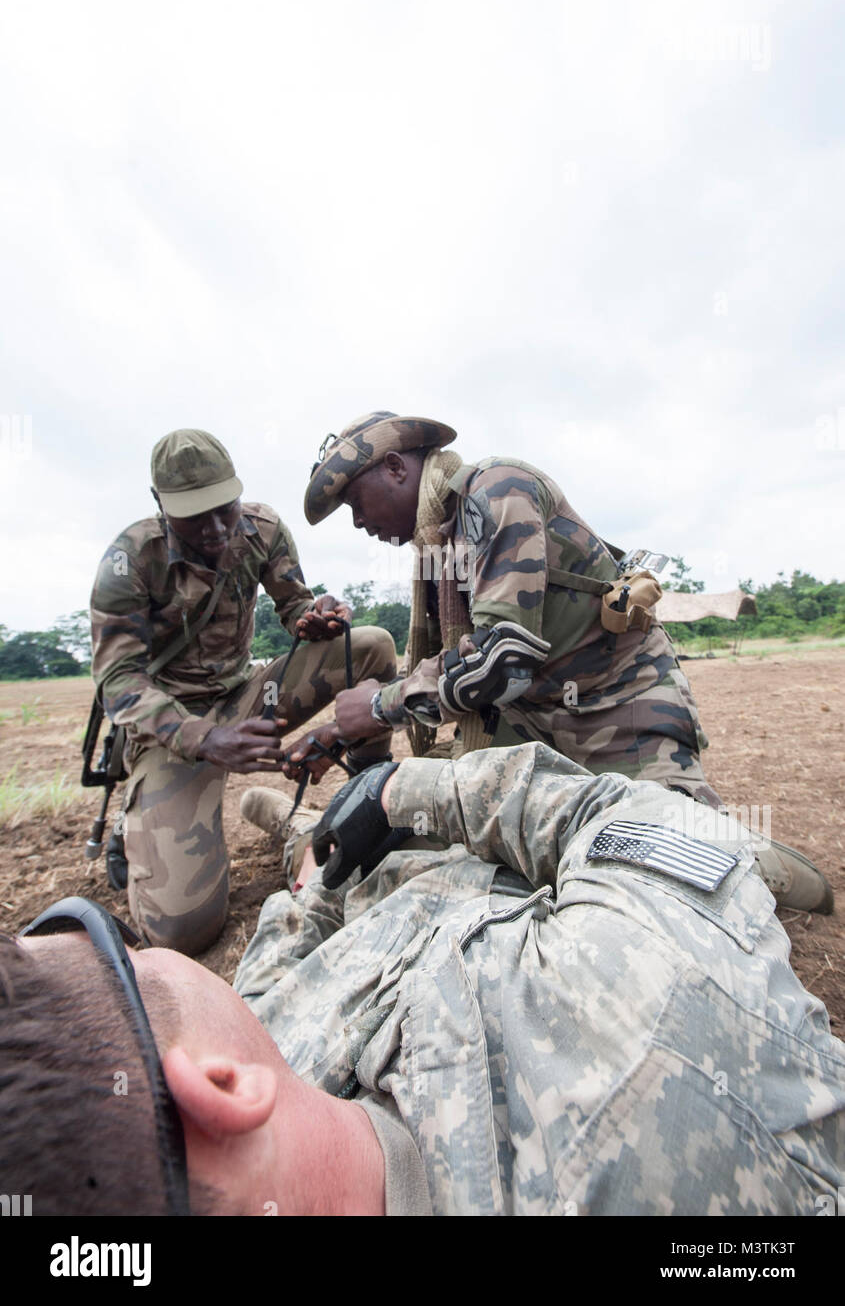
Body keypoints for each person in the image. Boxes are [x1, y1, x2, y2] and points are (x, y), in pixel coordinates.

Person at [6, 743, 845, 1215]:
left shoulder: (277, 1064)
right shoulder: (635, 1022)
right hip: (545, 875)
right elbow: (629, 819)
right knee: (695, 853)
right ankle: (760, 871)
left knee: (313, 839)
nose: (142, 953)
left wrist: (312, 890)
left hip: (378, 894)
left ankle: (288, 820)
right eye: (121, 968)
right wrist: (407, 786)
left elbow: (270, 977)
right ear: (215, 1089)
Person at [301, 410, 833, 913]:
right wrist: (343, 729)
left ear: (395, 467)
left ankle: (764, 866)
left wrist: (379, 705)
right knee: (444, 831)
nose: (358, 523)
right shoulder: (442, 538)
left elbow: (501, 661)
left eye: (355, 502)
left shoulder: (496, 490)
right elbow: (455, 661)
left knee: (672, 866)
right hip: (534, 722)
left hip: (618, 714)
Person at [89, 428, 397, 954]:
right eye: (194, 515)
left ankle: (371, 796)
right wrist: (204, 739)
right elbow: (118, 681)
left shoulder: (261, 529)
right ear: (159, 506)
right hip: (174, 729)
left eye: (223, 509)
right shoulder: (130, 562)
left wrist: (315, 617)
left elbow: (295, 605)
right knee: (182, 932)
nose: (214, 528)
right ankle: (133, 821)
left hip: (248, 696)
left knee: (370, 644)